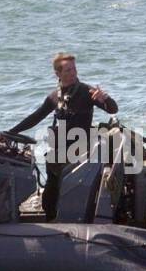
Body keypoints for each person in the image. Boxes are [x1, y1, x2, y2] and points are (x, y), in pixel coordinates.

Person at [7, 52, 118, 220]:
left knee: (65, 181)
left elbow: (113, 109)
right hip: (60, 148)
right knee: (51, 186)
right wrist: (12, 132)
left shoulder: (87, 92)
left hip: (81, 147)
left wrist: (105, 98)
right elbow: (36, 117)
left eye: (74, 69)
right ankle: (51, 218)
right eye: (68, 70)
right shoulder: (54, 96)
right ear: (58, 74)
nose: (73, 73)